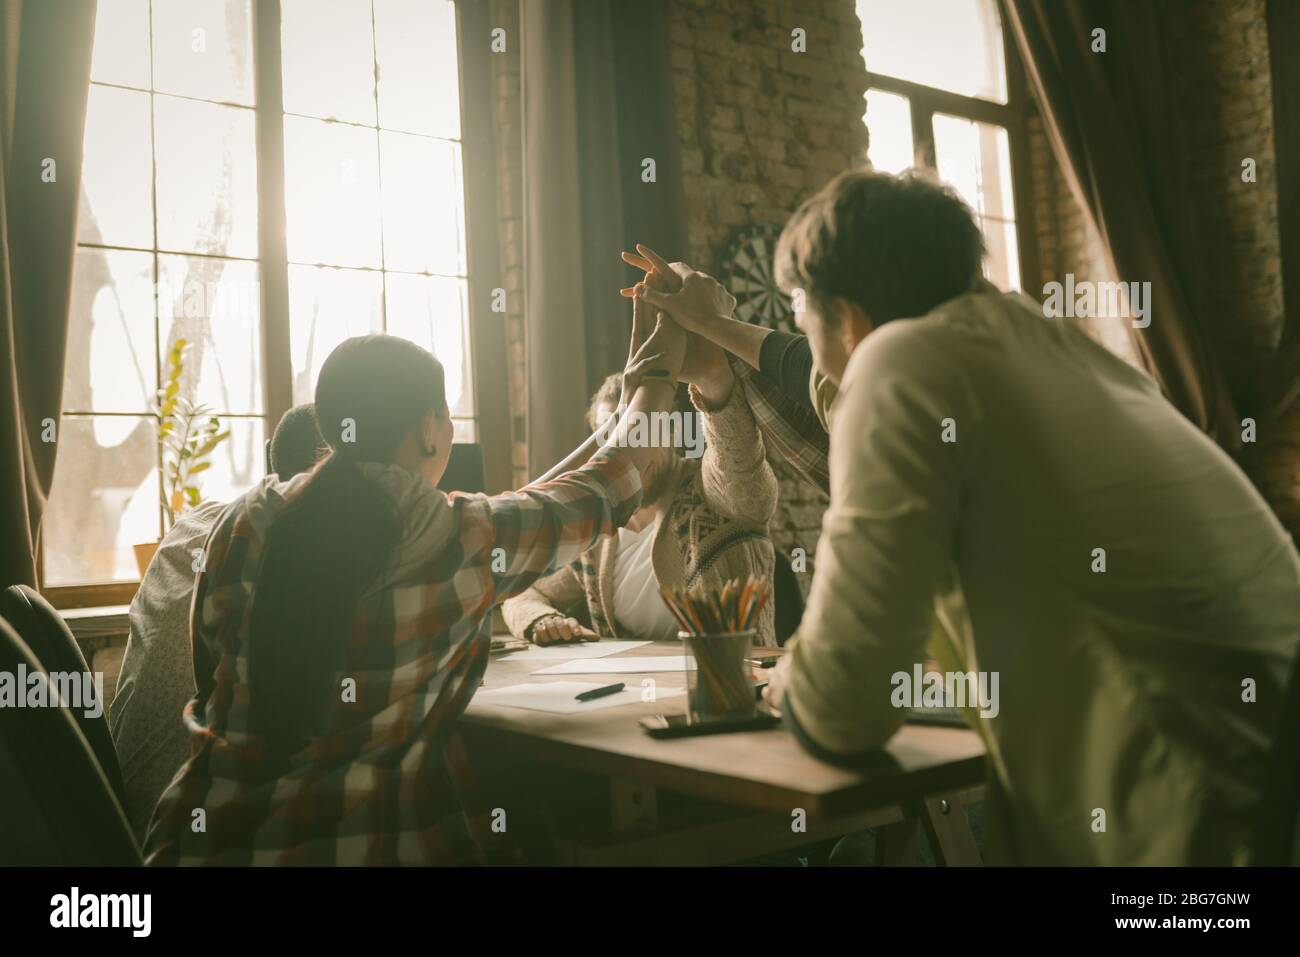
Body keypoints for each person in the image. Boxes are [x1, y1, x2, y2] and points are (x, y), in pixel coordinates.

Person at [630, 168, 1300, 866]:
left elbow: (840, 711)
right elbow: (814, 369)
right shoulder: (1036, 336)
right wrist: (710, 324)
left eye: (801, 306)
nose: (797, 323)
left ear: (848, 317)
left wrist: (785, 678)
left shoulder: (899, 365)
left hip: (1201, 855)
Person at [143, 305, 686, 865]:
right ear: (429, 427)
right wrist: (661, 371)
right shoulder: (451, 535)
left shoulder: (242, 520)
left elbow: (207, 679)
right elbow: (612, 483)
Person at [109, 403, 326, 840]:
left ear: (270, 459)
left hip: (127, 823)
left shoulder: (192, 524)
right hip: (202, 835)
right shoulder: (303, 550)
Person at [501, 348, 778, 647]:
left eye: (642, 434)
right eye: (614, 441)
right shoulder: (598, 534)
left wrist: (714, 382)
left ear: (671, 432)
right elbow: (523, 593)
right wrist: (542, 620)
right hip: (631, 689)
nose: (631, 456)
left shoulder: (711, 489)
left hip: (727, 683)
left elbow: (742, 470)